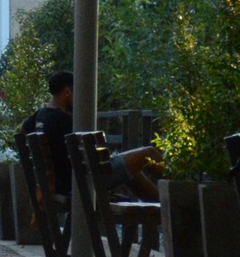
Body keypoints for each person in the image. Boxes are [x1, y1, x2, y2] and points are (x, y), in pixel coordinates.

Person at [15, 71, 167, 201]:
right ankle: (178, 189)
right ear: (68, 92)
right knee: (149, 153)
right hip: (81, 181)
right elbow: (93, 157)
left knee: (131, 172)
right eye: (77, 92)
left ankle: (165, 204)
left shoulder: (40, 115)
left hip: (65, 181)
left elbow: (21, 131)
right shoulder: (66, 120)